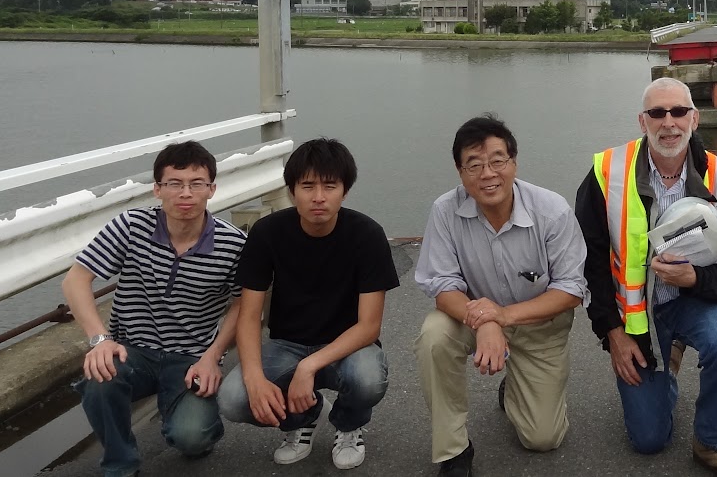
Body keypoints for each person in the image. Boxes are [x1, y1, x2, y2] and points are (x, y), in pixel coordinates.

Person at [575, 77, 717, 477]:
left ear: (694, 119)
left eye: (678, 112)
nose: (668, 122)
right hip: (636, 316)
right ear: (642, 121)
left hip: (695, 301)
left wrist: (695, 279)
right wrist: (612, 333)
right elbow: (588, 261)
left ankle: (711, 442)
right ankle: (665, 363)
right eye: (657, 113)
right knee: (648, 440)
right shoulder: (607, 173)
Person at [414, 115, 588, 476]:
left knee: (543, 438)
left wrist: (502, 316)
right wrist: (486, 321)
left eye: (497, 160)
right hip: (471, 317)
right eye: (474, 165)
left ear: (514, 163)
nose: (488, 174)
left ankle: (514, 388)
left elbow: (571, 289)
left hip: (539, 326)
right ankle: (453, 449)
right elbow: (442, 287)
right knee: (434, 335)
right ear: (460, 171)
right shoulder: (445, 210)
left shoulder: (552, 210)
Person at [63, 141, 245, 477]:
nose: (185, 193)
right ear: (157, 189)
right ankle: (120, 464)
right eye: (174, 183)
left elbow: (243, 303)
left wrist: (213, 355)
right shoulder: (131, 226)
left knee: (191, 438)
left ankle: (197, 424)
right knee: (99, 377)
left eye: (197, 184)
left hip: (192, 357)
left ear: (212, 189)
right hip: (132, 350)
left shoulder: (232, 244)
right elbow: (75, 280)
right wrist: (99, 339)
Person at [218, 138, 399, 470]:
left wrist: (308, 367)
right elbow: (249, 315)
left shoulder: (367, 235)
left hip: (347, 345)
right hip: (286, 344)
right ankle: (304, 417)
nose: (318, 197)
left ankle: (349, 425)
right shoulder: (267, 233)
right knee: (234, 400)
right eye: (307, 186)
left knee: (368, 379)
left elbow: (369, 326)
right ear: (291, 191)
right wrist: (255, 379)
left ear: (344, 191)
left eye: (330, 186)